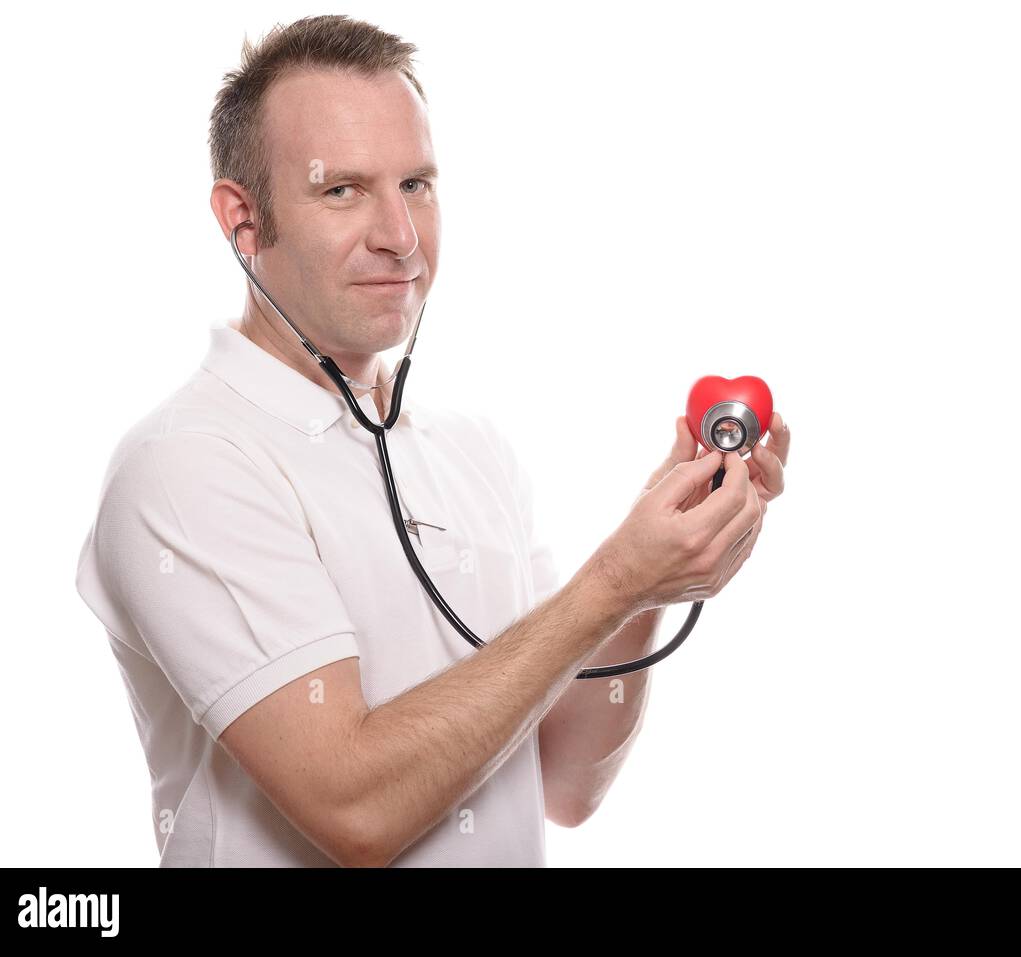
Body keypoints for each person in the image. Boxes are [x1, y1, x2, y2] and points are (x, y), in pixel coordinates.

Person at [74, 14, 791, 868]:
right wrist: (613, 580)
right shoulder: (187, 462)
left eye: (416, 183)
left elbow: (566, 782)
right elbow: (355, 809)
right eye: (342, 190)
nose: (401, 237)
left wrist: (649, 585)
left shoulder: (471, 450)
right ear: (244, 222)